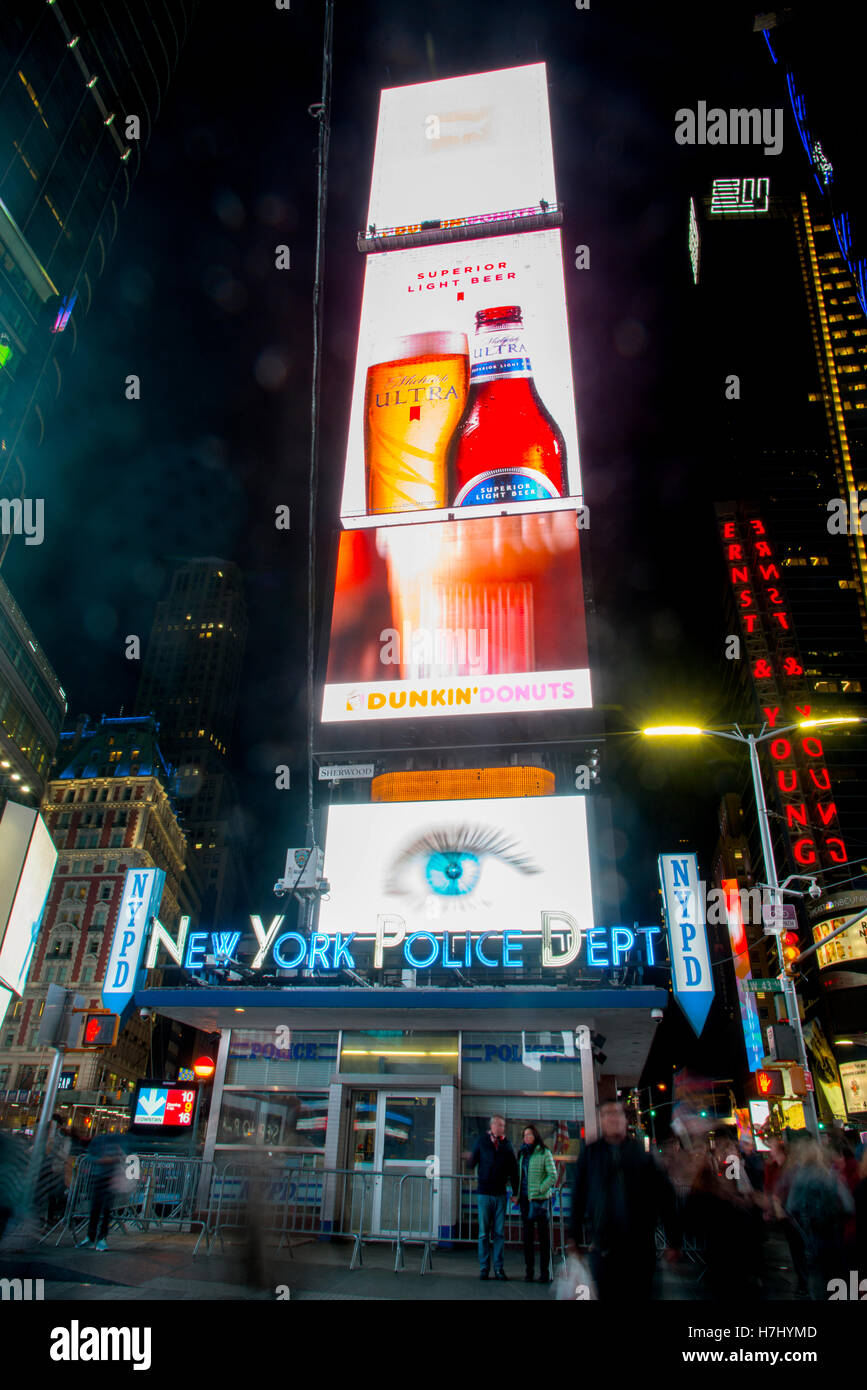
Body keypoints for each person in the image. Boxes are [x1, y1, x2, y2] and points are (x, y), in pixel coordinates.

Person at [569, 1100, 680, 1301]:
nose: (612, 1118)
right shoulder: (591, 1155)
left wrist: (673, 1240)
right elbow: (579, 1195)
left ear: (625, 1120)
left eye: (617, 1113)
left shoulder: (642, 1156)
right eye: (607, 1114)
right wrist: (573, 1236)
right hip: (604, 1248)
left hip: (639, 1249)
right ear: (601, 1120)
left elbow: (665, 1197)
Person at [784, 1137, 853, 1300]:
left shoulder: (799, 1179)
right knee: (839, 1279)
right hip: (835, 1235)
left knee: (818, 1281)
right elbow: (848, 1206)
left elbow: (791, 1208)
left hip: (812, 1237)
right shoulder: (831, 1176)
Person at [468, 1113, 518, 1280]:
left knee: (499, 1233)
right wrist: (471, 1159)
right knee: (483, 1233)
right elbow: (472, 1162)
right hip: (484, 1193)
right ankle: (484, 1268)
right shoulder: (482, 1141)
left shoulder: (507, 1145)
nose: (500, 1128)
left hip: (500, 1194)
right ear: (491, 1126)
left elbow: (514, 1170)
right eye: (497, 1125)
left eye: (502, 1125)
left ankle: (498, 1268)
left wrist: (516, 1192)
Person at [515, 1123, 557, 1283]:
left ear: (535, 1136)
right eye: (524, 1135)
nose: (526, 1138)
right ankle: (529, 1271)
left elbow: (552, 1175)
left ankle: (544, 1272)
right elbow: (520, 1177)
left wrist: (541, 1189)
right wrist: (517, 1194)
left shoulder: (544, 1152)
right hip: (525, 1200)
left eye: (529, 1135)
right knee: (527, 1237)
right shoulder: (522, 1154)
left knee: (543, 1238)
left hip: (540, 1200)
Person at [78, 1132, 124, 1251]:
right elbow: (91, 1156)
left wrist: (110, 1159)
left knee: (105, 1211)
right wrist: (103, 1160)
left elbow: (121, 1157)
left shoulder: (115, 1145)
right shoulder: (100, 1143)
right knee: (96, 1209)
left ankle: (101, 1238)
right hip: (99, 1178)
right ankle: (91, 1237)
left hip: (110, 1180)